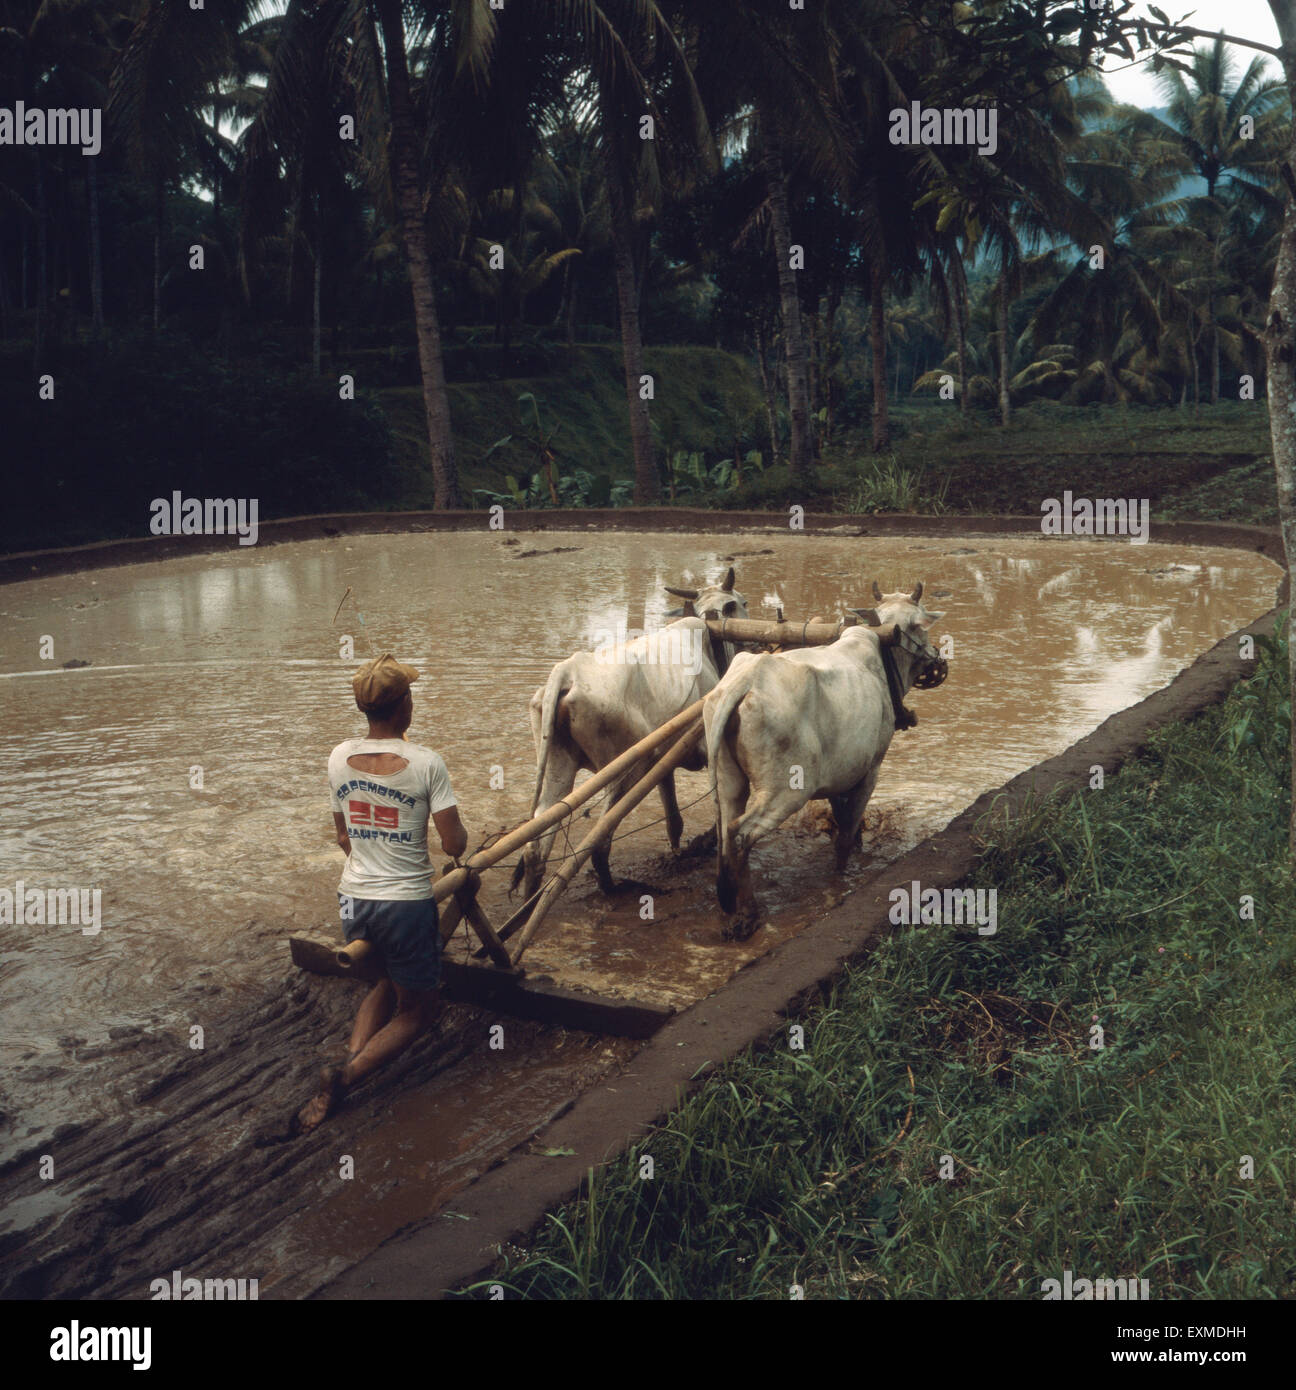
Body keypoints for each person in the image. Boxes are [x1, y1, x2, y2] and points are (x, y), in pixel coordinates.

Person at [295, 654, 468, 1133]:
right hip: (405, 905)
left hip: (354, 900)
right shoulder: (427, 763)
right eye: (411, 695)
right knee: (419, 1011)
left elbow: (344, 838)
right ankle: (347, 1075)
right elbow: (454, 844)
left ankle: (350, 1063)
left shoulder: (337, 757)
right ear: (403, 705)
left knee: (385, 982)